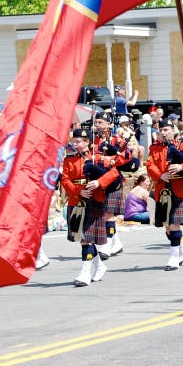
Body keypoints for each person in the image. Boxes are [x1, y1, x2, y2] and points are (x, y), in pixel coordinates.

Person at [61, 128, 119, 286]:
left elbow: (114, 173)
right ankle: (99, 266)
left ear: (87, 142)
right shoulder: (69, 160)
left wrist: (99, 182)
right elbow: (65, 180)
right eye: (74, 141)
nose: (75, 144)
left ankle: (85, 273)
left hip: (94, 200)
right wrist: (79, 191)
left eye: (78, 141)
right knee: (82, 238)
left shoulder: (98, 158)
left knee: (86, 238)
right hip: (77, 200)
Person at [146, 118, 183, 270]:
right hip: (163, 188)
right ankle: (182, 250)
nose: (163, 133)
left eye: (166, 130)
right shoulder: (155, 148)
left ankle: (173, 257)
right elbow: (150, 164)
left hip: (179, 187)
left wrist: (181, 166)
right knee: (167, 225)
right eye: (161, 130)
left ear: (173, 130)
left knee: (173, 223)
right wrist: (159, 175)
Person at [93, 111, 127, 259]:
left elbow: (126, 157)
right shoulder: (92, 140)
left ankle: (106, 245)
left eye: (101, 122)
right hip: (98, 181)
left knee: (108, 214)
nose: (98, 125)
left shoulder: (116, 140)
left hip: (113, 181)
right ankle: (116, 243)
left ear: (108, 125)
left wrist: (112, 158)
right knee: (104, 214)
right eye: (96, 122)